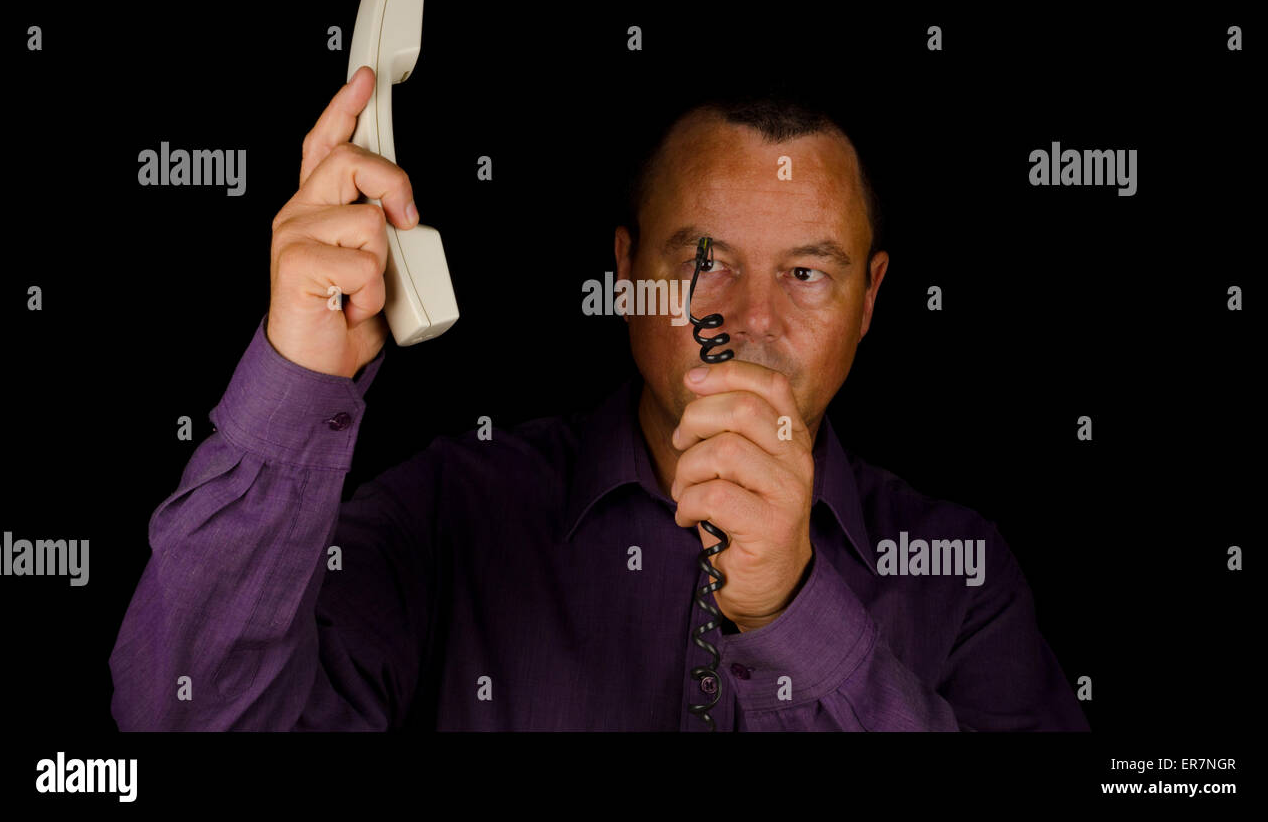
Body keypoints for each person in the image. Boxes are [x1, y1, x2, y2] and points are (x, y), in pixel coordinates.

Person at [108, 66, 1089, 731]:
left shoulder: (963, 578)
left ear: (868, 298)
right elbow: (183, 719)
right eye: (702, 262)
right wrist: (299, 375)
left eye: (804, 274)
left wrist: (791, 613)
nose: (749, 322)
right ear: (626, 274)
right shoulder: (451, 511)